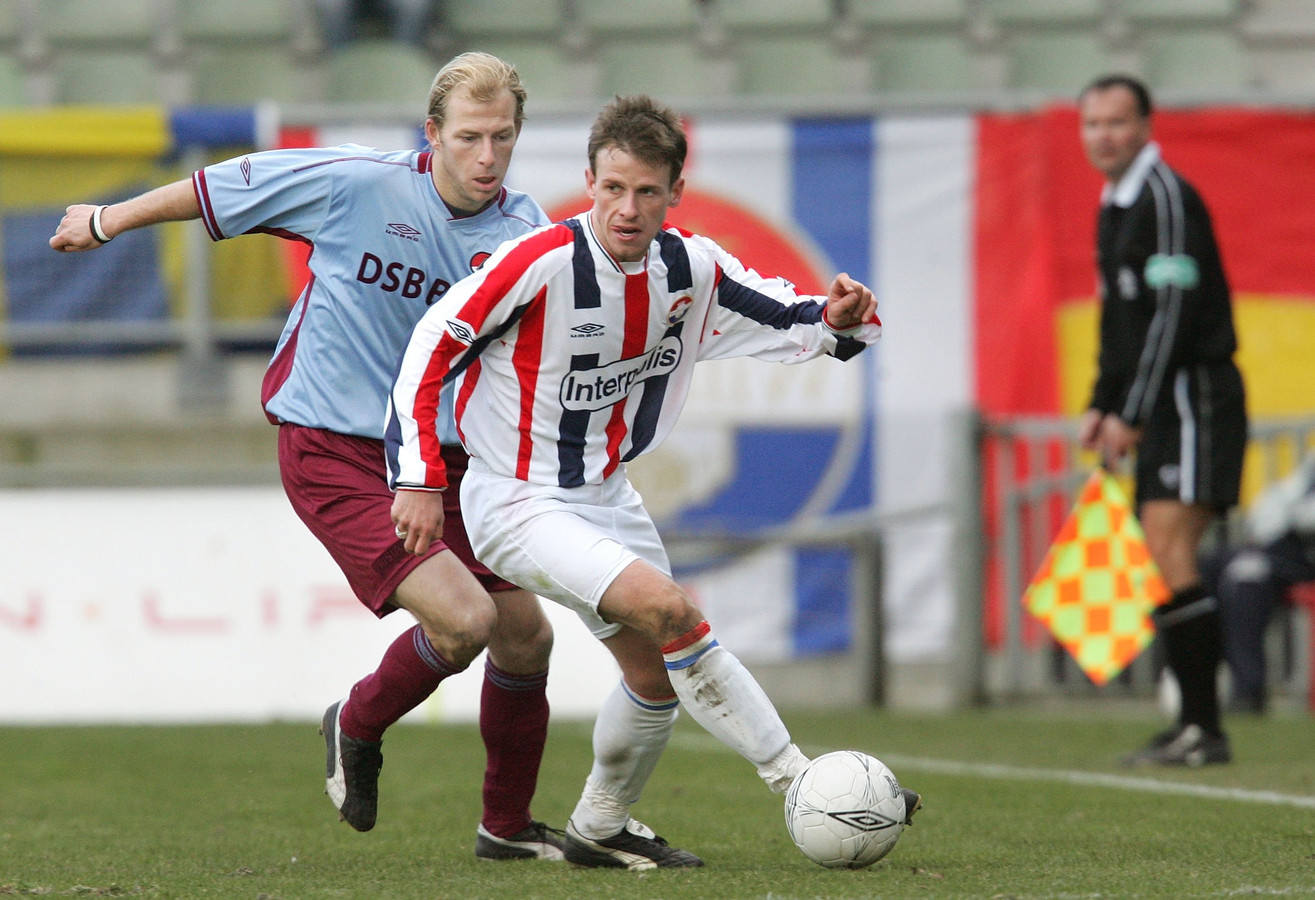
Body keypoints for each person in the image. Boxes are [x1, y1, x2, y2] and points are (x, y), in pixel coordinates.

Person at [49, 52, 567, 859]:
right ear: (431, 134)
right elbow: (217, 190)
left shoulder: (526, 239)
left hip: (439, 460)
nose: (486, 157)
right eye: (468, 136)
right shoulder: (356, 184)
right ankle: (355, 723)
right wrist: (107, 220)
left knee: (525, 638)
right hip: (332, 445)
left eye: (502, 137)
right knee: (465, 624)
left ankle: (504, 828)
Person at [386, 93, 921, 869]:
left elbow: (788, 315)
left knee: (654, 676)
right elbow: (432, 345)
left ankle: (599, 825)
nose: (625, 209)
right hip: (514, 496)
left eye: (644, 191)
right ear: (589, 181)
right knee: (670, 610)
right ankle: (798, 780)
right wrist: (418, 477)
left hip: (606, 494)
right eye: (610, 188)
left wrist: (838, 317)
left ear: (674, 192)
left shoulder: (690, 268)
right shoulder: (537, 264)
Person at [1076, 74, 1248, 766]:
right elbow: (1120, 321)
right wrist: (1100, 398)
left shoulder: (1165, 197)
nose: (1104, 136)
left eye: (1116, 123)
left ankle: (1204, 728)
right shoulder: (1112, 203)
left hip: (1191, 397)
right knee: (1160, 556)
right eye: (1092, 124)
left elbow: (1171, 317)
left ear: (1145, 126)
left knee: (1170, 549)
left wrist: (1132, 410)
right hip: (1161, 399)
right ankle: (1194, 726)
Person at [1205, 454, 1315, 714]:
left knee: (1247, 579)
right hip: (1279, 550)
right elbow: (1277, 500)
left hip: (1302, 557)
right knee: (1207, 568)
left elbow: (1299, 514)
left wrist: (1290, 515)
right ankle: (1199, 669)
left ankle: (1247, 690)